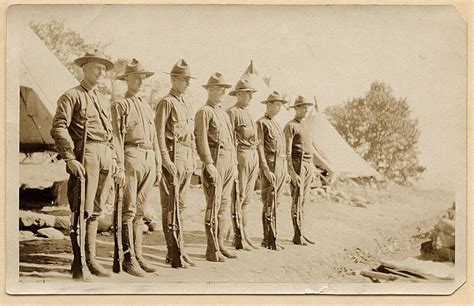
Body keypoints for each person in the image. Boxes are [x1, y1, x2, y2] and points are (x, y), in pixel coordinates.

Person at [51, 51, 117, 277]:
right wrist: (69, 157)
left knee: (96, 211)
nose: (101, 72)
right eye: (97, 68)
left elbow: (112, 133)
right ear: (85, 69)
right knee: (82, 210)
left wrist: (114, 159)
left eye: (104, 69)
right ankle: (79, 265)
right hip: (85, 152)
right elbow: (59, 126)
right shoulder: (71, 96)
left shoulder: (102, 98)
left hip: (104, 153)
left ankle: (91, 259)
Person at [112, 58, 161, 276]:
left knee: (140, 211)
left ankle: (138, 255)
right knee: (128, 209)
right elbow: (115, 138)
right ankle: (127, 258)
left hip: (149, 156)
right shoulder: (120, 105)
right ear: (127, 80)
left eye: (143, 78)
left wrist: (158, 163)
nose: (140, 81)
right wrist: (119, 166)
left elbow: (155, 137)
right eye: (136, 78)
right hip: (131, 156)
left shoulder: (146, 106)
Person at [154, 59, 196, 269]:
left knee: (182, 207)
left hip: (186, 157)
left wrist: (194, 159)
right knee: (170, 207)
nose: (188, 83)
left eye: (189, 79)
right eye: (184, 79)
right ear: (173, 79)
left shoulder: (186, 103)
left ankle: (181, 249)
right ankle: (173, 252)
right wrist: (165, 160)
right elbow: (159, 134)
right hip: (174, 156)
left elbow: (192, 135)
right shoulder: (166, 102)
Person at [194, 72, 238, 262]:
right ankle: (212, 250)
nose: (223, 92)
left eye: (224, 89)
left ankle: (220, 245)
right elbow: (201, 138)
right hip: (216, 159)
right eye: (219, 89)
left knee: (224, 205)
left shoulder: (223, 113)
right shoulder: (204, 112)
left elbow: (232, 140)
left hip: (228, 160)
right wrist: (208, 163)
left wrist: (235, 164)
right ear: (210, 90)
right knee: (214, 205)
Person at [226, 79, 259, 250]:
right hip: (241, 155)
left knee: (247, 199)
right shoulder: (232, 112)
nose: (250, 97)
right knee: (238, 197)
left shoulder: (248, 113)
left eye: (251, 94)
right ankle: (237, 236)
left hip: (252, 154)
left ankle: (244, 234)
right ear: (238, 94)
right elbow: (229, 138)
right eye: (247, 93)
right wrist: (232, 161)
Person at [256, 90, 288, 250]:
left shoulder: (276, 123)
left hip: (281, 166)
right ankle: (268, 239)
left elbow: (283, 149)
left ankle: (273, 237)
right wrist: (266, 169)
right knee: (269, 201)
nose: (279, 108)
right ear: (268, 105)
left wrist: (286, 170)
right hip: (271, 166)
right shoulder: (261, 123)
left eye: (280, 105)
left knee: (277, 203)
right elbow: (260, 147)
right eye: (277, 105)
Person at [283, 95, 316, 246]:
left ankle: (301, 231)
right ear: (295, 109)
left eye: (307, 107)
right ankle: (297, 234)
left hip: (308, 164)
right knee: (297, 199)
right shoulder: (290, 126)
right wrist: (292, 172)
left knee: (303, 201)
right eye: (303, 107)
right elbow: (287, 151)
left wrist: (312, 168)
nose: (306, 109)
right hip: (298, 163)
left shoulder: (304, 126)